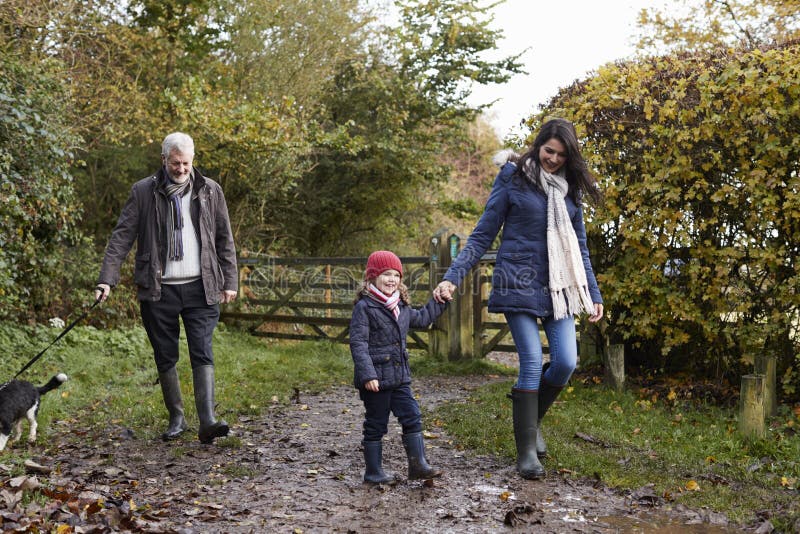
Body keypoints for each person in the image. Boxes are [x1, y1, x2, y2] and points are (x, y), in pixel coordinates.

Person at [433, 118, 604, 480]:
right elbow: (482, 234)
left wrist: (593, 292)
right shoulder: (513, 177)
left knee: (565, 363)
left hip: (558, 288)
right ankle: (526, 453)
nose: (553, 159)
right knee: (530, 361)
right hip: (517, 282)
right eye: (548, 151)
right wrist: (452, 278)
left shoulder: (570, 190)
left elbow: (581, 248)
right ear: (537, 145)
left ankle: (531, 417)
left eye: (561, 154)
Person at [95, 132, 238, 445]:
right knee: (165, 354)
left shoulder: (209, 190)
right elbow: (122, 236)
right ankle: (176, 418)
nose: (182, 169)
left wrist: (230, 280)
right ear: (164, 160)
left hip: (202, 287)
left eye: (187, 163)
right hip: (159, 288)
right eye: (176, 163)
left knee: (202, 349)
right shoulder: (144, 192)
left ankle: (207, 421)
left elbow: (224, 239)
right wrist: (107, 278)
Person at [349, 250, 447, 484]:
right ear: (372, 277)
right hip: (376, 380)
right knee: (376, 424)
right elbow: (358, 343)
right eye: (385, 274)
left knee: (412, 416)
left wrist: (440, 301)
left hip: (400, 377)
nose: (391, 279)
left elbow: (423, 318)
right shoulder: (365, 307)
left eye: (396, 275)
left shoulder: (400, 307)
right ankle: (373, 473)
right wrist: (367, 374)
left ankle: (418, 465)